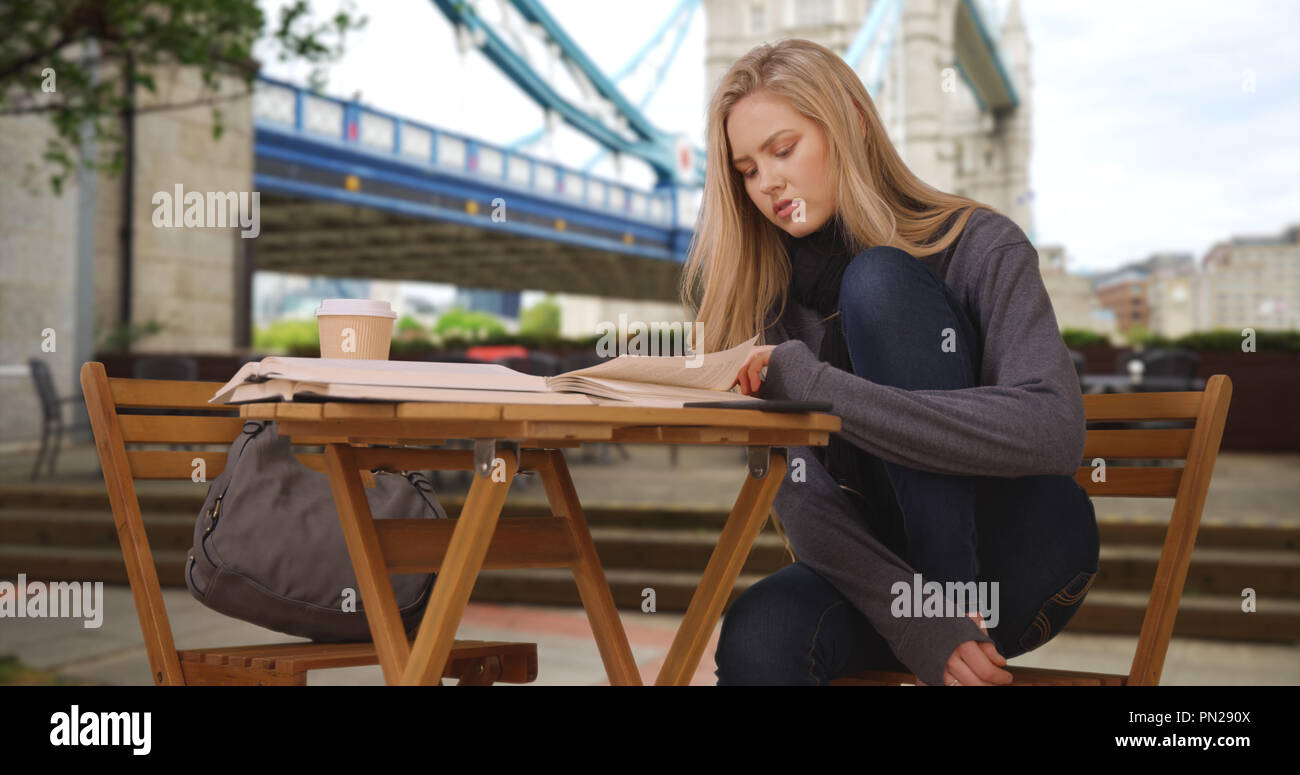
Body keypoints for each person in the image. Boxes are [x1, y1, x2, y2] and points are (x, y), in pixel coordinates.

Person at [680, 39, 1100, 686]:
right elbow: (806, 507)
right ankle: (933, 608)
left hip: (1017, 550)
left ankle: (949, 591)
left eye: (783, 149)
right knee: (758, 637)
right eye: (746, 169)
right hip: (875, 575)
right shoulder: (769, 310)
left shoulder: (979, 246)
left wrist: (819, 391)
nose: (767, 183)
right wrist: (916, 620)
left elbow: (1054, 428)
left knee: (879, 284)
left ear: (850, 118)